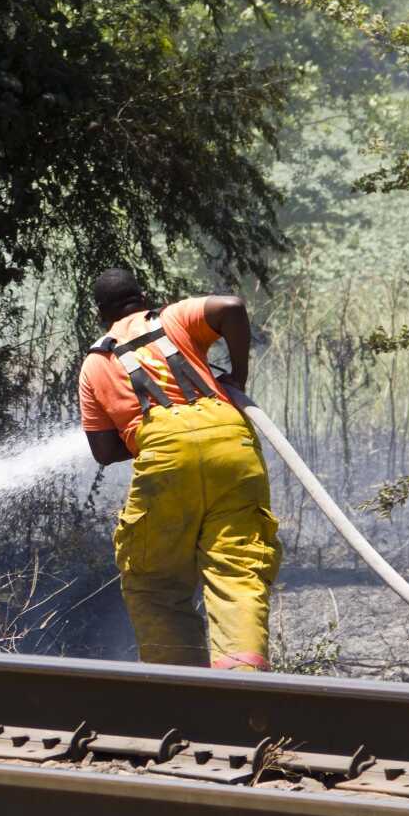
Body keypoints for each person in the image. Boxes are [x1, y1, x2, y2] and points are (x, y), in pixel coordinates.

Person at [77, 268, 281, 669]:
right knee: (238, 571)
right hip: (230, 441)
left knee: (155, 582)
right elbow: (232, 307)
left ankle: (181, 690)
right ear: (143, 296)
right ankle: (244, 687)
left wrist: (141, 433)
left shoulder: (95, 364)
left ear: (101, 313)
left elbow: (103, 451)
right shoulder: (172, 318)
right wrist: (237, 374)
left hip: (164, 456)